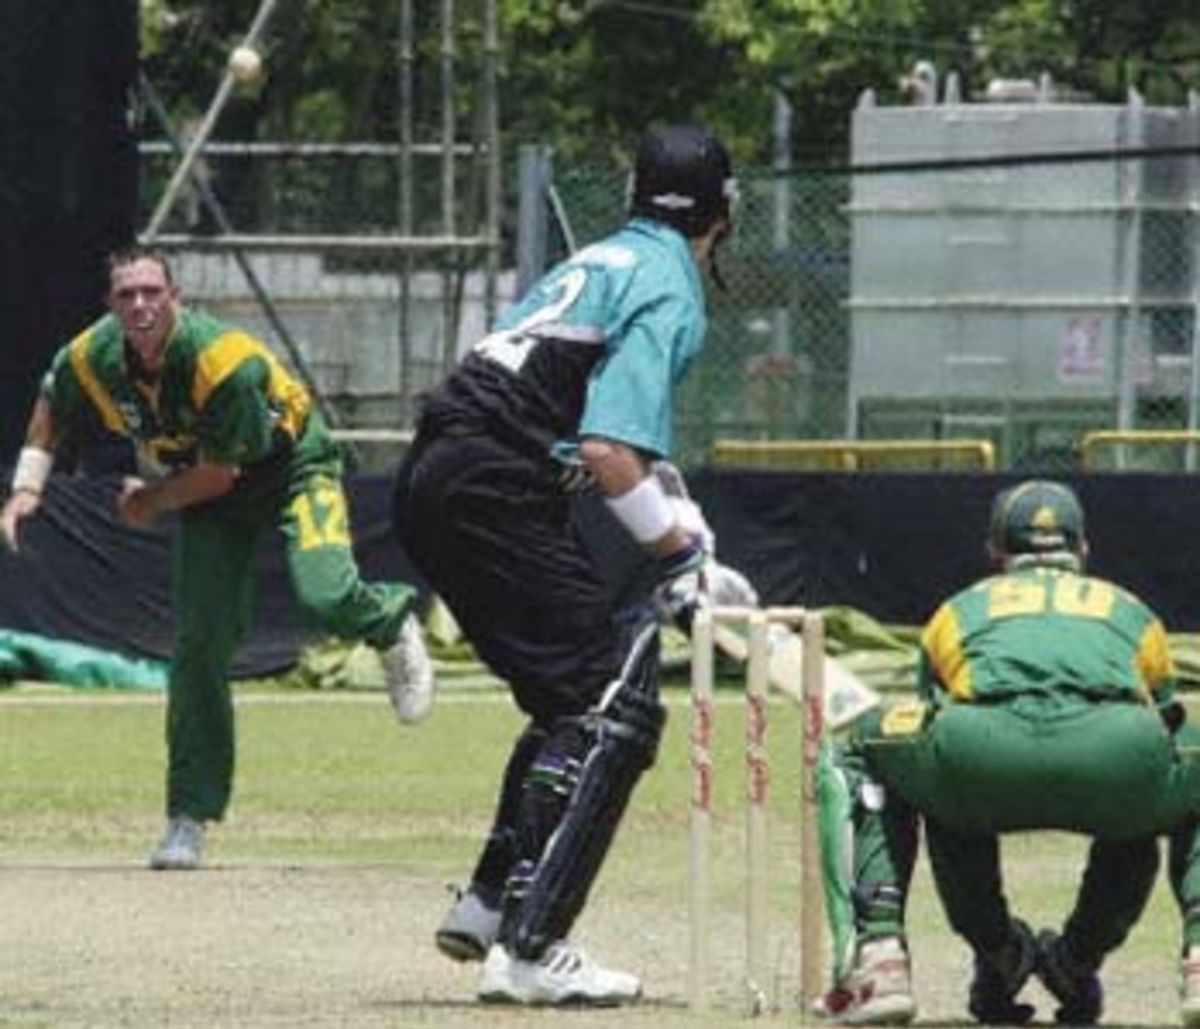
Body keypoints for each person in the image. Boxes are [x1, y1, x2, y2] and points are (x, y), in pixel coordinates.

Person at [391, 123, 756, 1006]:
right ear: (724, 213)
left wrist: (689, 532)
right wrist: (680, 557)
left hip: (434, 474)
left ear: (636, 195)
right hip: (496, 484)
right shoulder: (670, 284)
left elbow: (611, 440)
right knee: (607, 700)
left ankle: (490, 902)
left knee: (569, 697)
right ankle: (531, 945)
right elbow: (607, 452)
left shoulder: (599, 260)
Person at [0, 246, 434, 870]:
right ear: (110, 305)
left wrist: (150, 500)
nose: (141, 305)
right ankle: (188, 816)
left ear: (175, 298)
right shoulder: (92, 355)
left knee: (325, 592)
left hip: (291, 467)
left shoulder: (221, 362)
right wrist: (27, 487)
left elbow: (221, 473)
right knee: (199, 647)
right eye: (127, 295)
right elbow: (53, 402)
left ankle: (388, 621)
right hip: (209, 489)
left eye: (153, 292)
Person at [815, 479, 1200, 1027]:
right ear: (1083, 549)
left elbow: (934, 715)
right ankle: (1148, 960)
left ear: (995, 551)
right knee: (1160, 785)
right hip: (1117, 759)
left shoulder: (956, 611)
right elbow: (1162, 719)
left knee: (874, 752)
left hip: (980, 757)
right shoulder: (1132, 611)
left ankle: (883, 959)